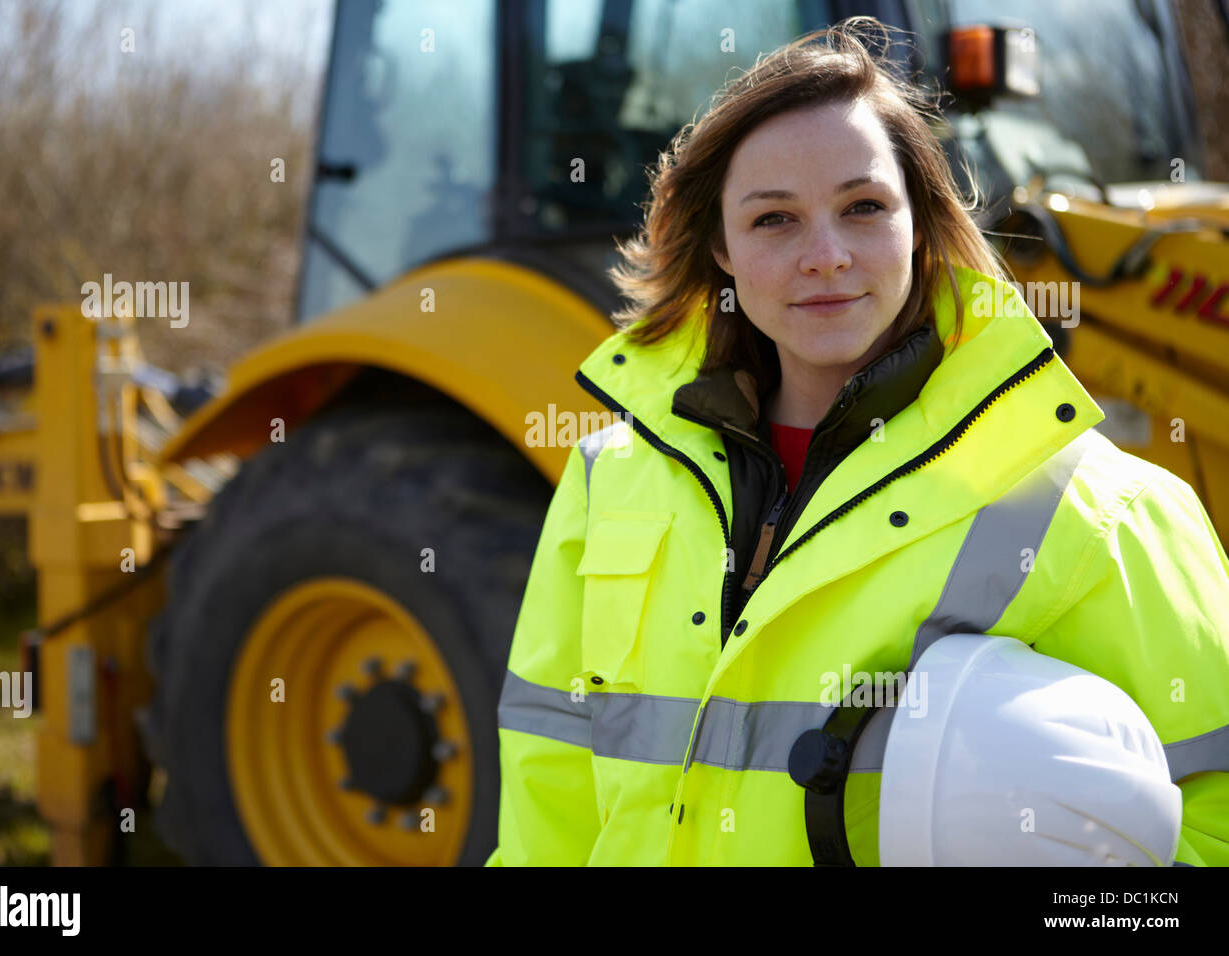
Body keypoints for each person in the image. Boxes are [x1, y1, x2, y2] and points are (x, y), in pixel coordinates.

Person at [485, 17, 1229, 866]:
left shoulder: (1107, 513)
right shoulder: (603, 481)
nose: (827, 256)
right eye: (775, 221)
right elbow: (548, 803)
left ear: (921, 223)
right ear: (721, 247)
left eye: (864, 207)